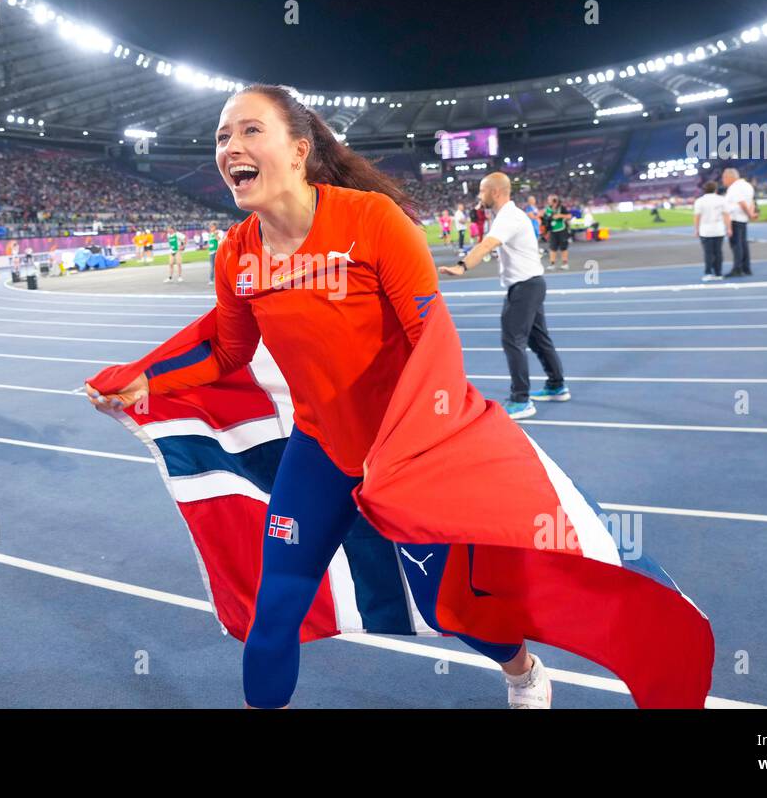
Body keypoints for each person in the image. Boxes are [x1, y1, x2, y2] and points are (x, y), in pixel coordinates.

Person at [85, 83, 550, 709]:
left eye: (250, 131)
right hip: (321, 452)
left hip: (406, 453)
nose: (231, 147)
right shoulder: (238, 254)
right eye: (223, 135)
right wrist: (146, 380)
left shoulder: (370, 221)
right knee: (273, 611)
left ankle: (522, 670)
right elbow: (225, 351)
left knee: (452, 606)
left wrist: (417, 448)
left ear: (299, 149)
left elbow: (431, 339)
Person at [440, 174, 568, 420]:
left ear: (495, 192)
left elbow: (487, 245)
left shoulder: (508, 217)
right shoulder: (508, 215)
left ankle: (521, 400)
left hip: (524, 287)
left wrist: (462, 266)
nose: (479, 196)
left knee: (512, 340)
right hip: (531, 284)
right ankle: (556, 384)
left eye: (481, 191)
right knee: (539, 339)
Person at [692, 180, 730, 281]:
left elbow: (697, 217)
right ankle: (718, 273)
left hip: (705, 231)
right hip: (719, 230)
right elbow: (726, 215)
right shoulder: (722, 200)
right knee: (718, 252)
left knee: (708, 253)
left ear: (704, 190)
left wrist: (696, 229)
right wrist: (729, 228)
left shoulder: (699, 201)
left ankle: (708, 273)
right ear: (716, 189)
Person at [722, 167, 757, 276]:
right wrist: (750, 214)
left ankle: (737, 269)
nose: (723, 180)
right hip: (743, 219)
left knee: (736, 245)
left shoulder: (734, 187)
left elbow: (741, 202)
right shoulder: (748, 185)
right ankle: (746, 268)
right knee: (743, 244)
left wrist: (749, 214)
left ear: (730, 177)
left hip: (735, 218)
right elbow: (751, 202)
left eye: (724, 177)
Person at [542, 194, 570, 269]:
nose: (548, 201)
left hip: (562, 230)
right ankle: (552, 264)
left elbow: (569, 216)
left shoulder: (561, 208)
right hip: (552, 230)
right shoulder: (548, 209)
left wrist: (560, 216)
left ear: (554, 200)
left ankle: (565, 263)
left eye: (550, 200)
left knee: (563, 247)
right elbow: (544, 219)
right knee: (552, 248)